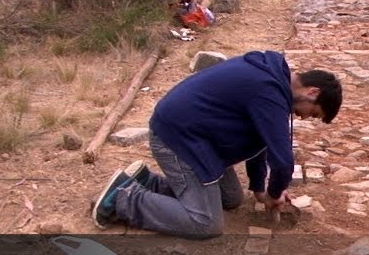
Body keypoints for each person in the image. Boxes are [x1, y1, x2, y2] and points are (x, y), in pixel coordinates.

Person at [92, 52, 342, 238]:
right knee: (206, 223)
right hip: (178, 138)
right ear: (312, 92)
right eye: (313, 113)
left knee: (231, 198)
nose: (304, 117)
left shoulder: (273, 80)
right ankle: (122, 198)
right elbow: (283, 162)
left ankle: (149, 183)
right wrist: (275, 194)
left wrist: (259, 188)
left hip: (201, 140)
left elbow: (262, 141)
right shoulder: (269, 90)